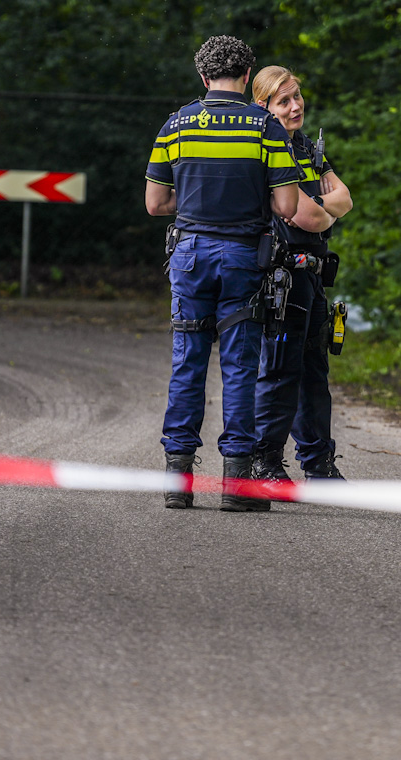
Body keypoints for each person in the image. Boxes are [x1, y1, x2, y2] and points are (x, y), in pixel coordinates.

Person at [146, 35, 302, 511]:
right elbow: (288, 205)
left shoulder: (176, 124)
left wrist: (192, 206)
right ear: (247, 73)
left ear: (203, 75)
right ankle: (237, 485)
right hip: (242, 257)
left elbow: (155, 204)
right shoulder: (265, 128)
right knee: (239, 366)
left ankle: (178, 481)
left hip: (190, 254)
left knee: (187, 361)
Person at [249, 66, 353, 483]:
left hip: (313, 275)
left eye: (296, 97)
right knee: (279, 371)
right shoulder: (265, 146)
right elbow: (310, 216)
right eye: (284, 100)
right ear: (264, 106)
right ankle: (266, 463)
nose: (295, 106)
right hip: (281, 276)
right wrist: (323, 210)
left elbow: (344, 198)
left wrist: (322, 209)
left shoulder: (307, 145)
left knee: (314, 371)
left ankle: (318, 463)